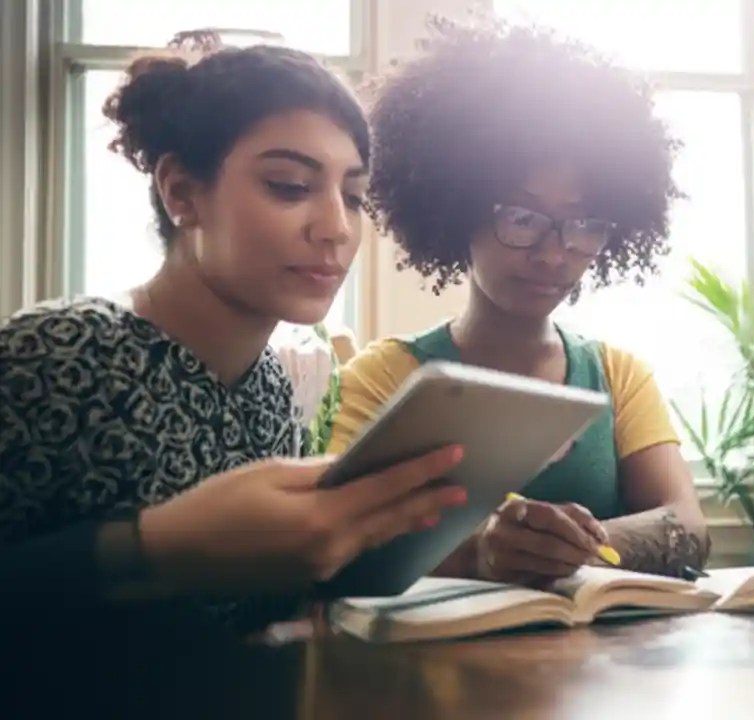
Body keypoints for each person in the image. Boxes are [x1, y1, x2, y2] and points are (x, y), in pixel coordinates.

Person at [0, 33, 467, 716]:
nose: (336, 227)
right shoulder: (60, 353)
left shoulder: (270, 386)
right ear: (183, 192)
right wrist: (154, 548)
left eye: (356, 194)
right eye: (290, 186)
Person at [331, 18, 709, 586]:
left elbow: (689, 529)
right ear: (457, 212)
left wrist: (575, 542)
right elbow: (340, 540)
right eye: (523, 218)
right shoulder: (385, 378)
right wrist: (480, 553)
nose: (554, 254)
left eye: (582, 226)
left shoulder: (617, 376)